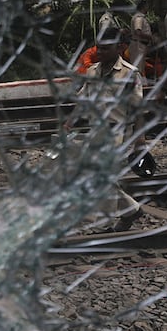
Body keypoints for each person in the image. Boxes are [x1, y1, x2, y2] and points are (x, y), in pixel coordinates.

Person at [64, 28, 147, 232]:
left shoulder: (129, 73)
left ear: (119, 48)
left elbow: (138, 109)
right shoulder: (92, 71)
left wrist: (140, 140)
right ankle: (132, 210)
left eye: (105, 49)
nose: (100, 52)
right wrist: (70, 121)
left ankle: (101, 225)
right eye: (98, 48)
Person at [129, 0, 154, 74]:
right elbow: (138, 32)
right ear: (143, 6)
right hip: (138, 45)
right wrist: (150, 37)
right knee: (137, 68)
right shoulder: (138, 17)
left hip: (141, 45)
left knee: (141, 68)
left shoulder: (142, 17)